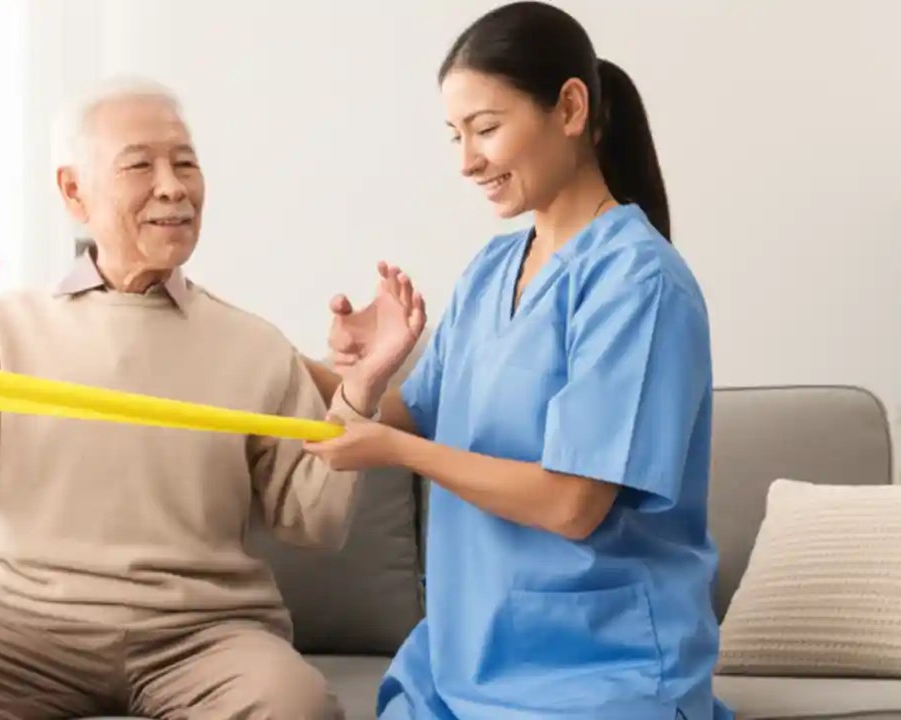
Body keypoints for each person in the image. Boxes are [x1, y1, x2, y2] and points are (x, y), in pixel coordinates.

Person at [0, 76, 414, 719]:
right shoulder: (4, 328)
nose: (172, 186)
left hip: (207, 638)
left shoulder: (253, 344)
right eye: (140, 165)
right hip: (27, 635)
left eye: (186, 163)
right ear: (73, 191)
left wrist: (360, 391)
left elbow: (315, 520)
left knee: (295, 705)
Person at [301, 3, 733, 718]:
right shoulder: (492, 268)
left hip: (597, 672)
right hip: (459, 662)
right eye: (455, 136)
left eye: (487, 129)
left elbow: (571, 504)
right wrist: (357, 375)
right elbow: (418, 414)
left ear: (569, 107)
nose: (467, 161)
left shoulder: (639, 281)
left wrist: (400, 451)